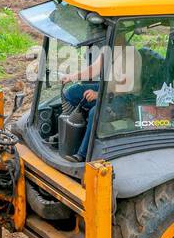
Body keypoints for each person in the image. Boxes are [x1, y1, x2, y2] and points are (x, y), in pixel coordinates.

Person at [59, 29, 141, 161]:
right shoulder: (109, 48)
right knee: (72, 92)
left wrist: (99, 95)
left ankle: (82, 154)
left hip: (126, 97)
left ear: (121, 35)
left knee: (95, 112)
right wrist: (71, 77)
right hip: (107, 88)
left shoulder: (132, 55)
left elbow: (125, 86)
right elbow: (93, 70)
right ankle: (68, 131)